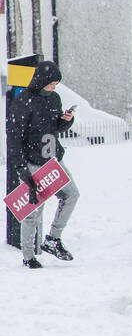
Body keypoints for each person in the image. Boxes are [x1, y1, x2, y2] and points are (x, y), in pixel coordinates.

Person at [6, 61, 78, 268]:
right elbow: (14, 137)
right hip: (33, 162)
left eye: (56, 84)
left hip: (54, 159)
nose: (54, 88)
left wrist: (66, 120)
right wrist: (21, 168)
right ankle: (28, 256)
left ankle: (53, 239)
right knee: (34, 210)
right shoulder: (23, 101)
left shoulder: (54, 98)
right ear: (42, 81)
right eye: (52, 84)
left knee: (72, 194)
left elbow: (55, 126)